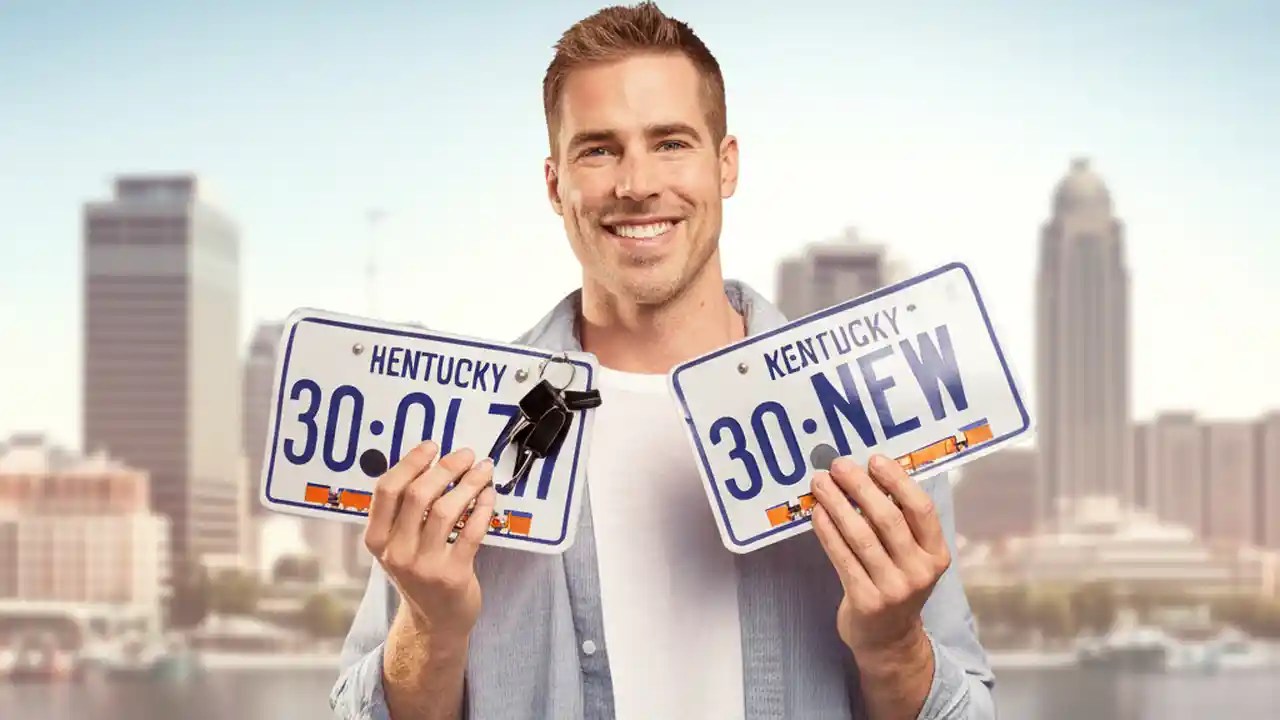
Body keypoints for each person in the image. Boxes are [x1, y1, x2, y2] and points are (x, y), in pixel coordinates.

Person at [330, 3, 995, 719]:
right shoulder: (456, 428)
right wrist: (429, 628)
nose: (637, 183)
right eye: (599, 149)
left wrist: (895, 645)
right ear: (556, 185)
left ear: (726, 164)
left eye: (671, 142)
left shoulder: (874, 423)